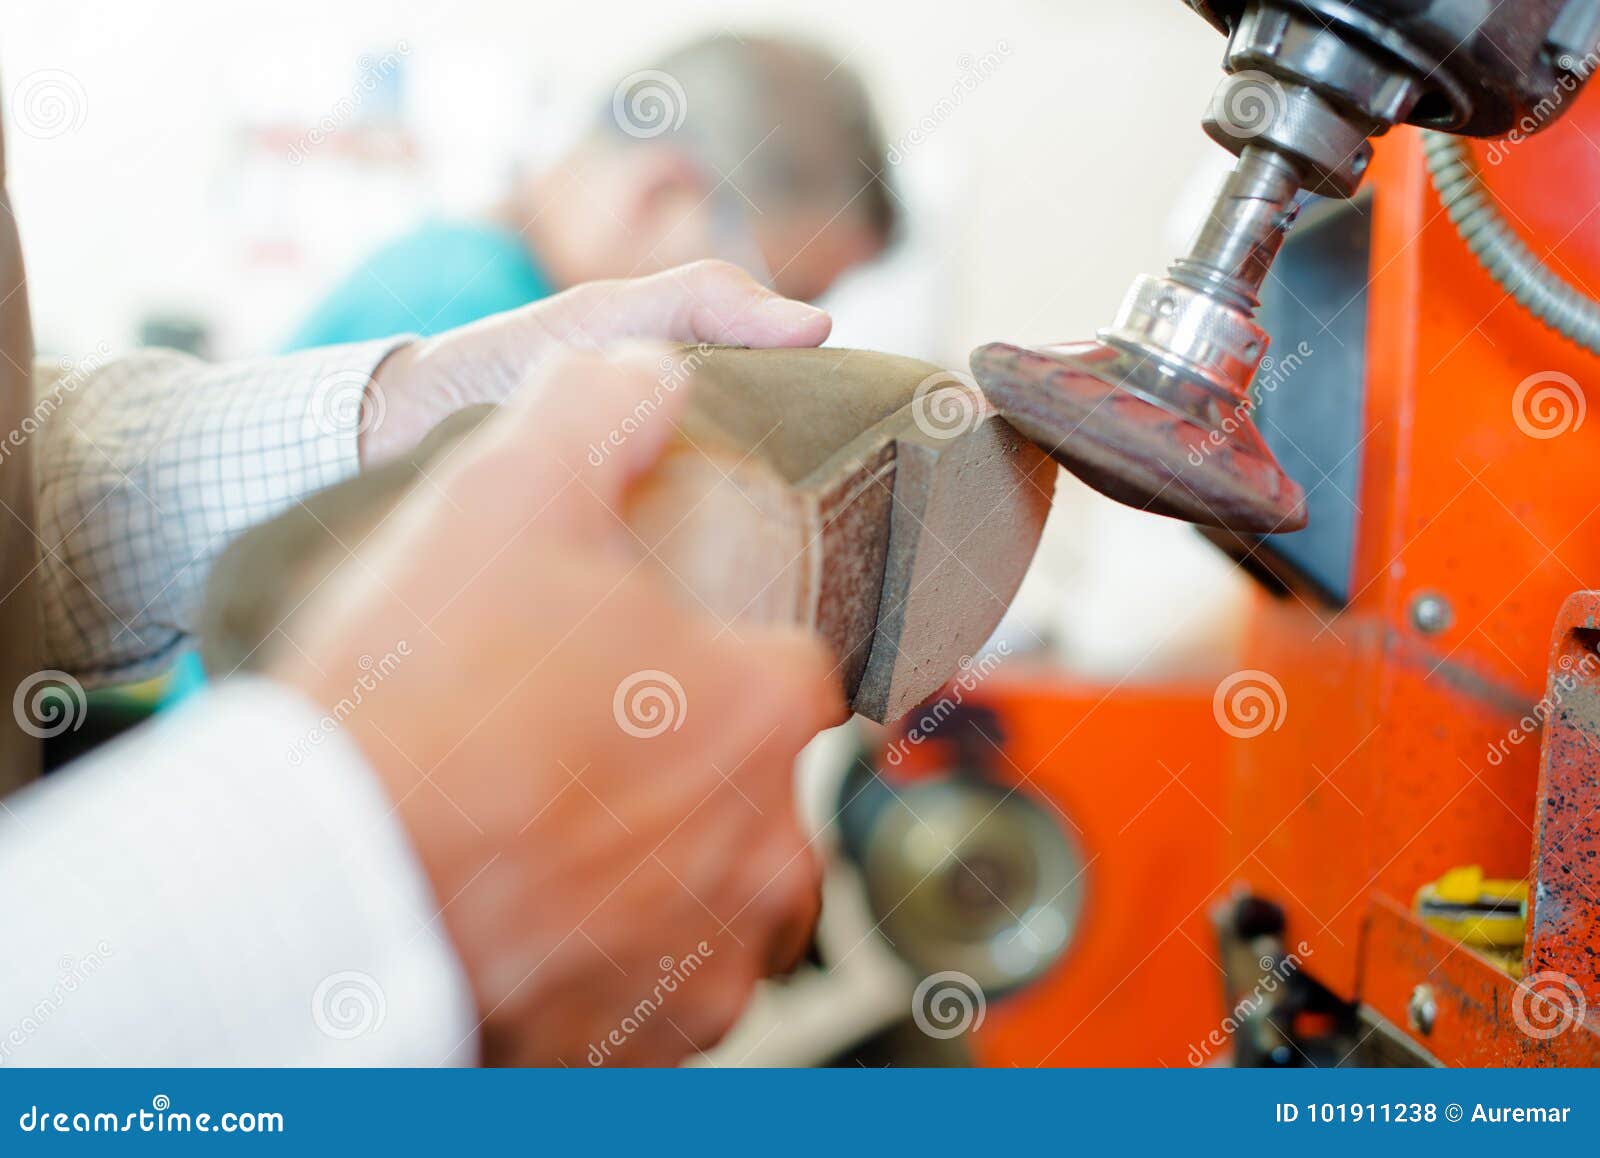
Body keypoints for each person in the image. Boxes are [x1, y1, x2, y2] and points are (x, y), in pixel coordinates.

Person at [283, 35, 897, 351]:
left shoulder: (473, 273)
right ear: (659, 195)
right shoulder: (469, 321)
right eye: (777, 295)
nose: (775, 348)